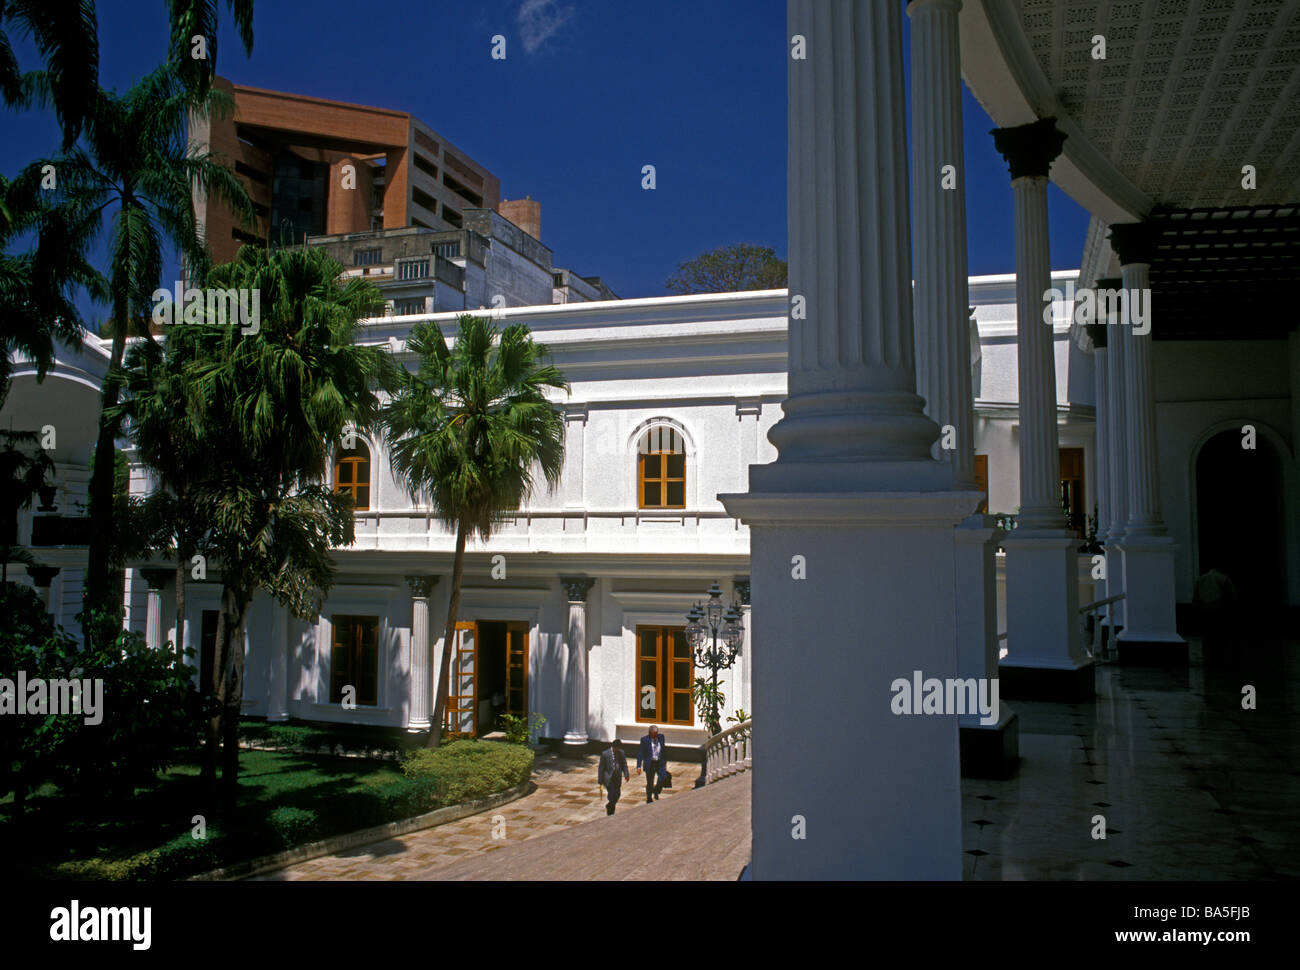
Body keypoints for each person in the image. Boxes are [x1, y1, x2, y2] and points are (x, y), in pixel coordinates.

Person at [636, 724, 669, 803]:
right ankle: (649, 797)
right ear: (650, 733)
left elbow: (663, 748)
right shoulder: (645, 740)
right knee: (650, 782)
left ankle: (656, 790)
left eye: (656, 734)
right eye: (653, 735)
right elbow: (640, 753)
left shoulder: (661, 737)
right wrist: (638, 766)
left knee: (663, 777)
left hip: (659, 762)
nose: (655, 737)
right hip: (650, 763)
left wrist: (665, 760)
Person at [597, 739, 629, 815]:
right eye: (616, 748)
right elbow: (601, 768)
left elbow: (624, 764)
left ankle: (609, 805)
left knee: (617, 794)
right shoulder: (605, 754)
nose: (617, 750)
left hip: (617, 777)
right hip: (609, 778)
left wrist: (626, 774)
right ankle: (610, 812)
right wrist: (600, 780)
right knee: (612, 794)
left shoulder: (621, 753)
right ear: (613, 747)